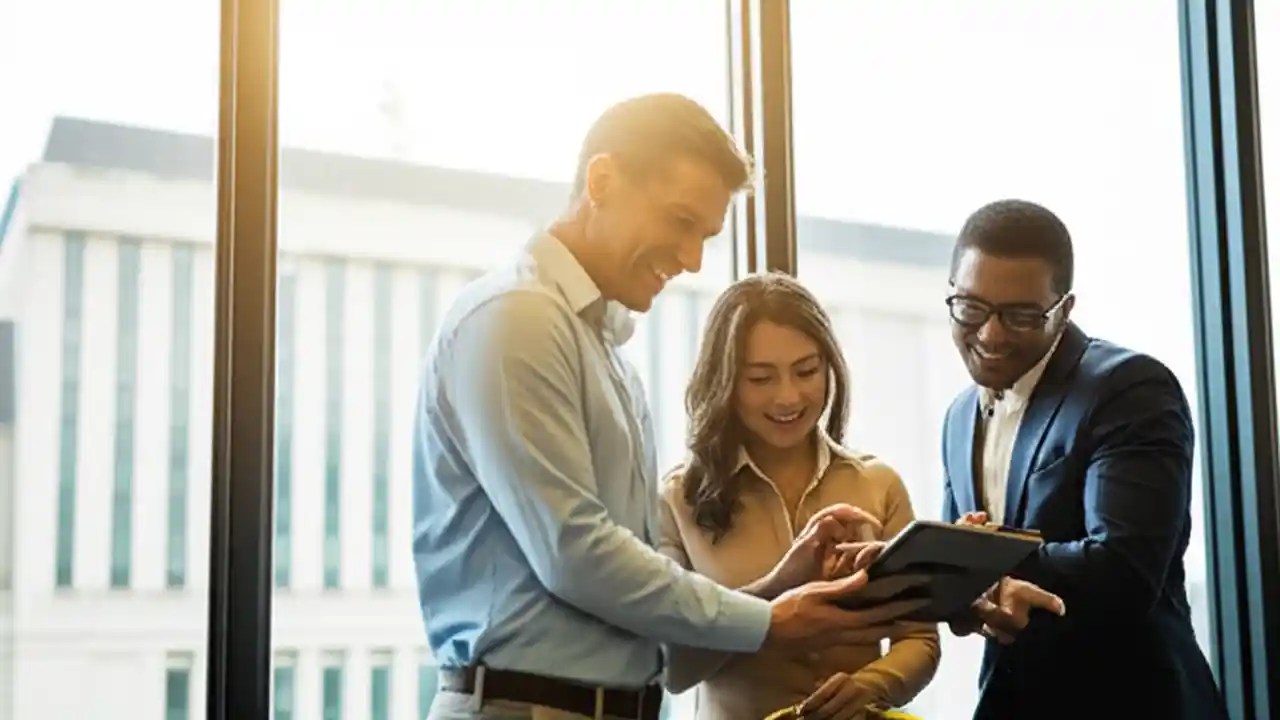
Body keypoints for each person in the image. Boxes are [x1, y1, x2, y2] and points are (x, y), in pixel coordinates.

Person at [412, 93, 926, 720]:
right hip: (527, 705)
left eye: (704, 236)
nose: (691, 259)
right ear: (602, 181)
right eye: (680, 222)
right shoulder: (518, 318)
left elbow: (632, 586)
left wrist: (778, 585)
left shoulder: (604, 354)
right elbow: (575, 553)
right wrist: (769, 620)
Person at [939, 199, 1229, 719]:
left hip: (1132, 701)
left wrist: (974, 559)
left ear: (1065, 308)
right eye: (972, 308)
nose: (990, 334)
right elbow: (961, 567)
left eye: (1020, 316)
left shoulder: (1129, 389)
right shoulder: (960, 416)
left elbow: (1124, 567)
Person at [658, 272, 941, 720]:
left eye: (807, 371)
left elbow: (920, 638)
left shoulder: (878, 483)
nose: (788, 397)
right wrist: (770, 599)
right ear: (723, 382)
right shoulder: (678, 499)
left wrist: (873, 684)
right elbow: (670, 667)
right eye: (760, 378)